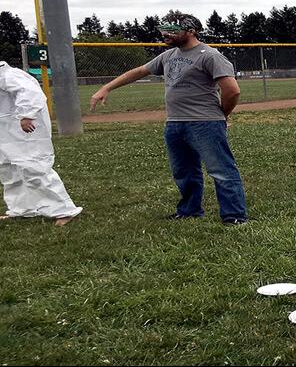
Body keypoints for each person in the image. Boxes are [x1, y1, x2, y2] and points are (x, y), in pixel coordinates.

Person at [89, 12, 247, 225]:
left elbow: (232, 91)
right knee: (184, 172)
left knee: (221, 170)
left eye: (172, 30)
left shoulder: (209, 55)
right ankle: (189, 211)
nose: (165, 34)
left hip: (205, 123)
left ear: (191, 30)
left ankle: (234, 216)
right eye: (163, 29)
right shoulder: (169, 56)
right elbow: (139, 71)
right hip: (175, 123)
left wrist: (221, 116)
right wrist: (107, 87)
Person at [0, 61, 82, 226]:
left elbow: (30, 93)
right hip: (7, 133)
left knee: (34, 168)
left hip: (25, 132)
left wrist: (26, 115)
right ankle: (22, 209)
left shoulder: (9, 75)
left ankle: (63, 210)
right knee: (9, 171)